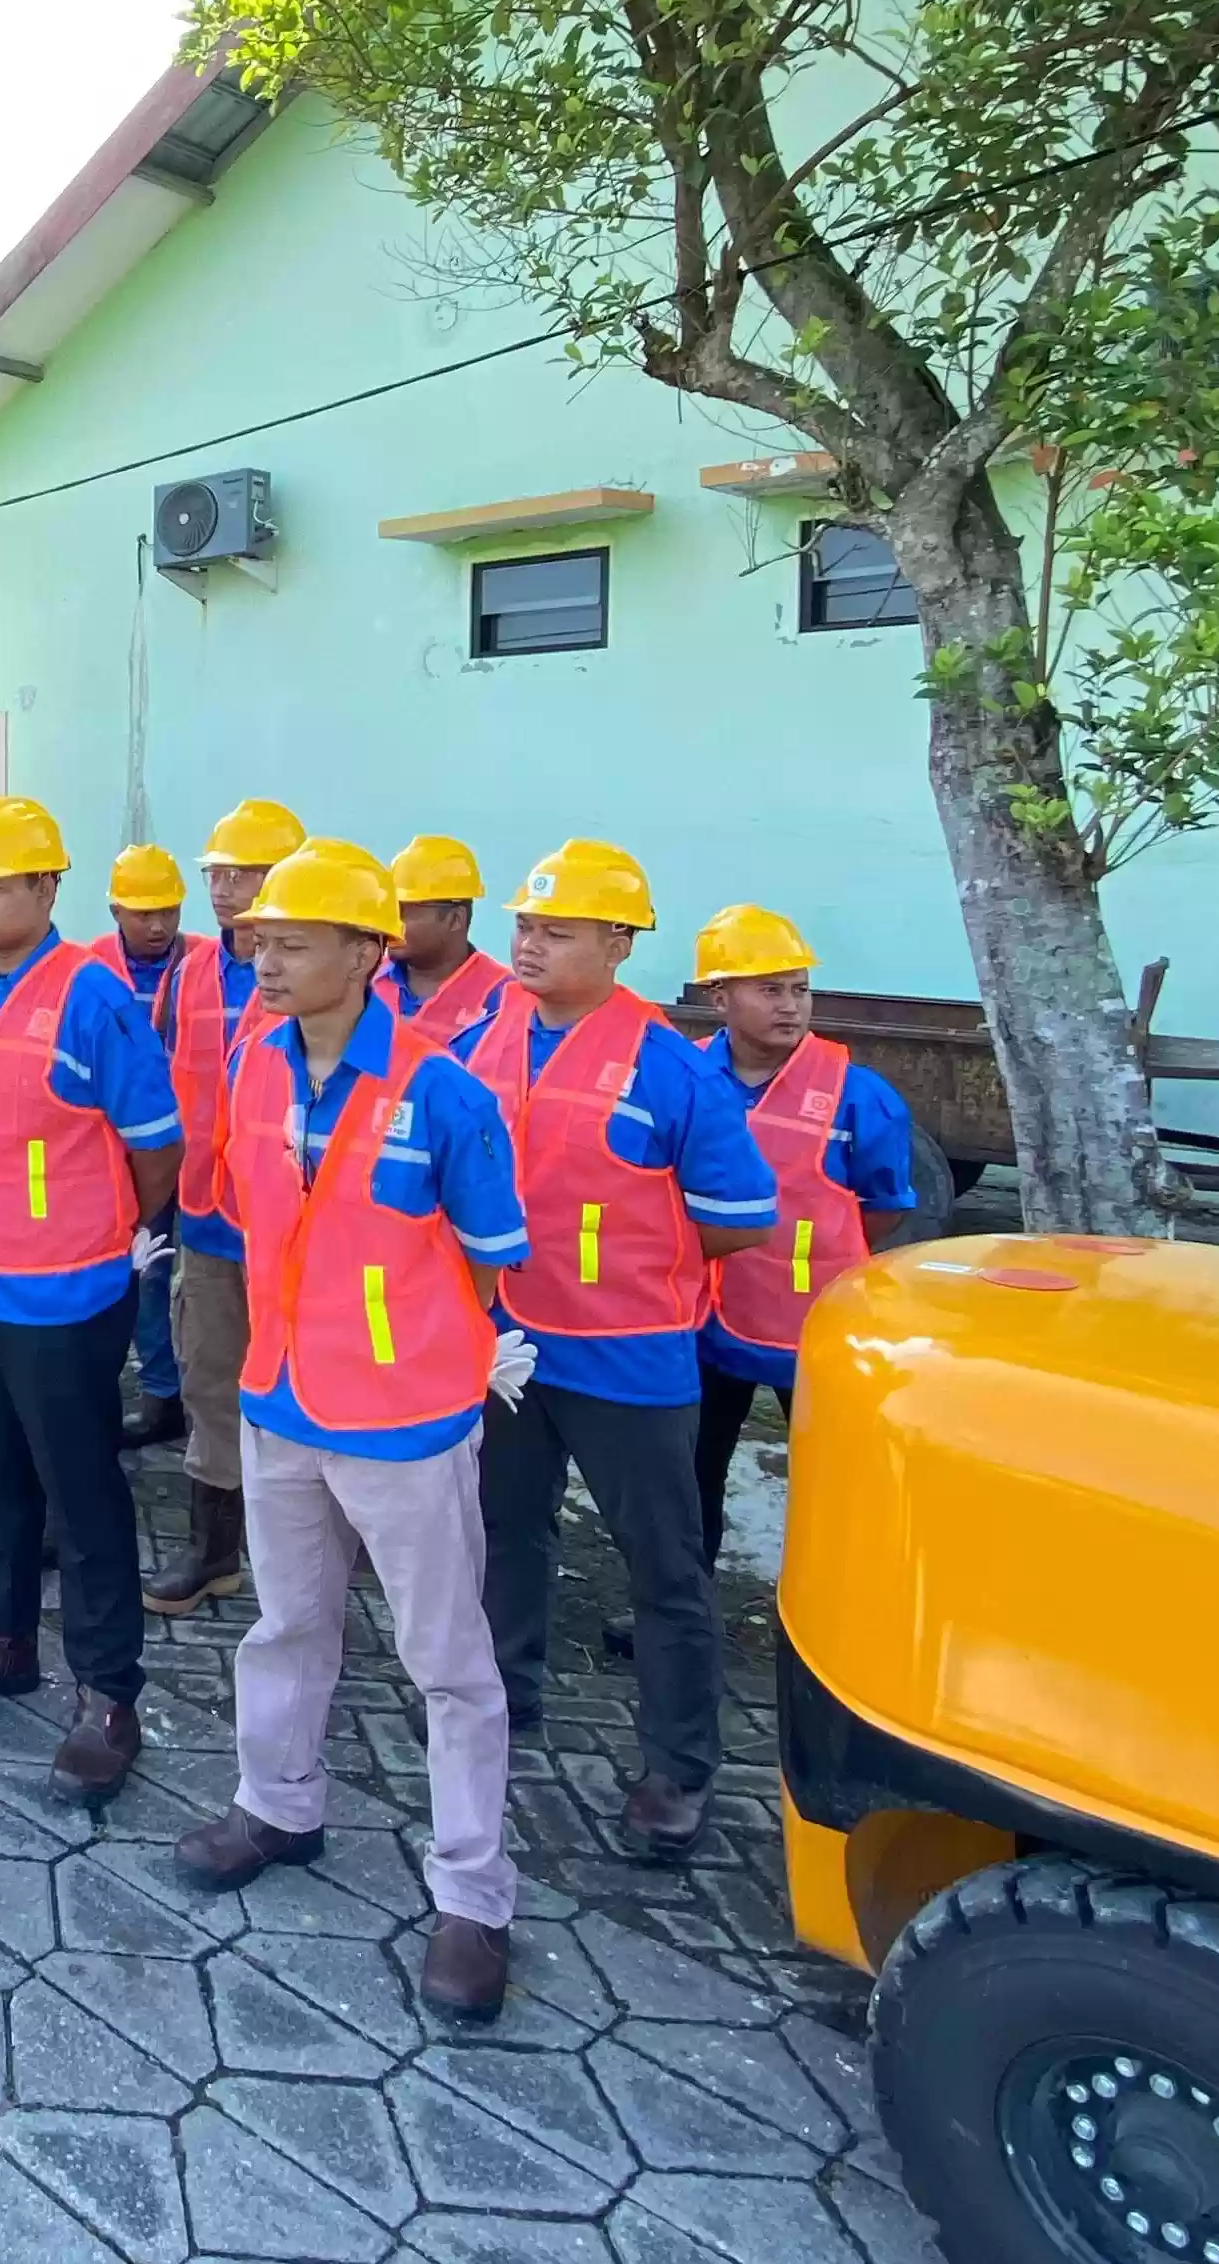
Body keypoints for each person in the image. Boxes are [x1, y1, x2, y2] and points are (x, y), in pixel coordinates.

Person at [175, 840, 531, 2021]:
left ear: (369, 955)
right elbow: (249, 1217)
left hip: (407, 1420)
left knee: (448, 1663)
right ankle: (278, 1804)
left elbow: (490, 1262)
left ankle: (473, 1893)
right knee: (286, 1625)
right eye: (258, 942)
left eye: (292, 943)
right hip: (282, 1399)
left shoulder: (446, 1092)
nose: (263, 960)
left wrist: (414, 1355)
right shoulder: (255, 1066)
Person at [465, 838, 778, 1862]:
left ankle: (678, 1769)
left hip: (629, 1357)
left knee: (664, 1567)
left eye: (556, 931)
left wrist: (633, 1258)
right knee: (507, 1532)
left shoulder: (670, 1068)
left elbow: (738, 1214)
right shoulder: (490, 1034)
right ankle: (506, 1698)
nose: (530, 945)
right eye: (524, 927)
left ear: (616, 942)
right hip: (512, 1343)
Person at [0, 795, 184, 1800]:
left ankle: (109, 1694)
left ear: (45, 889)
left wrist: (113, 1233)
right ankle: (1, 1636)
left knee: (85, 1495)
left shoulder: (95, 998)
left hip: (65, 1291)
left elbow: (156, 1145)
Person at [689, 903, 918, 1561]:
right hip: (708, 1322)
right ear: (720, 996)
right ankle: (690, 1601)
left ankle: (822, 1618)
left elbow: (883, 1203)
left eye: (799, 989)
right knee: (693, 1472)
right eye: (769, 990)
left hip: (815, 1329)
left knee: (828, 1485)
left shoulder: (857, 1095)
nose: (790, 1006)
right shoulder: (687, 1077)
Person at [151, 798, 308, 1615]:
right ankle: (215, 1552)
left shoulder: (328, 978)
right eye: (217, 872)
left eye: (243, 872)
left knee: (310, 1387)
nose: (224, 888)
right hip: (211, 1218)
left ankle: (315, 1557)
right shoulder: (190, 972)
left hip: (303, 1231)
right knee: (211, 1380)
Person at [93, 847, 190, 1455]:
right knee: (147, 1276)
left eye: (168, 910)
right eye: (142, 912)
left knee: (206, 1288)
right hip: (127, 1151)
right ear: (115, 910)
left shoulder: (204, 963)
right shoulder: (91, 967)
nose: (157, 925)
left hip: (203, 1151)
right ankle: (159, 1394)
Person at [375, 835, 509, 1060]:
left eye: (405, 913)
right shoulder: (364, 982)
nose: (391, 925)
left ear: (456, 919)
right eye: (389, 912)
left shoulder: (503, 998)